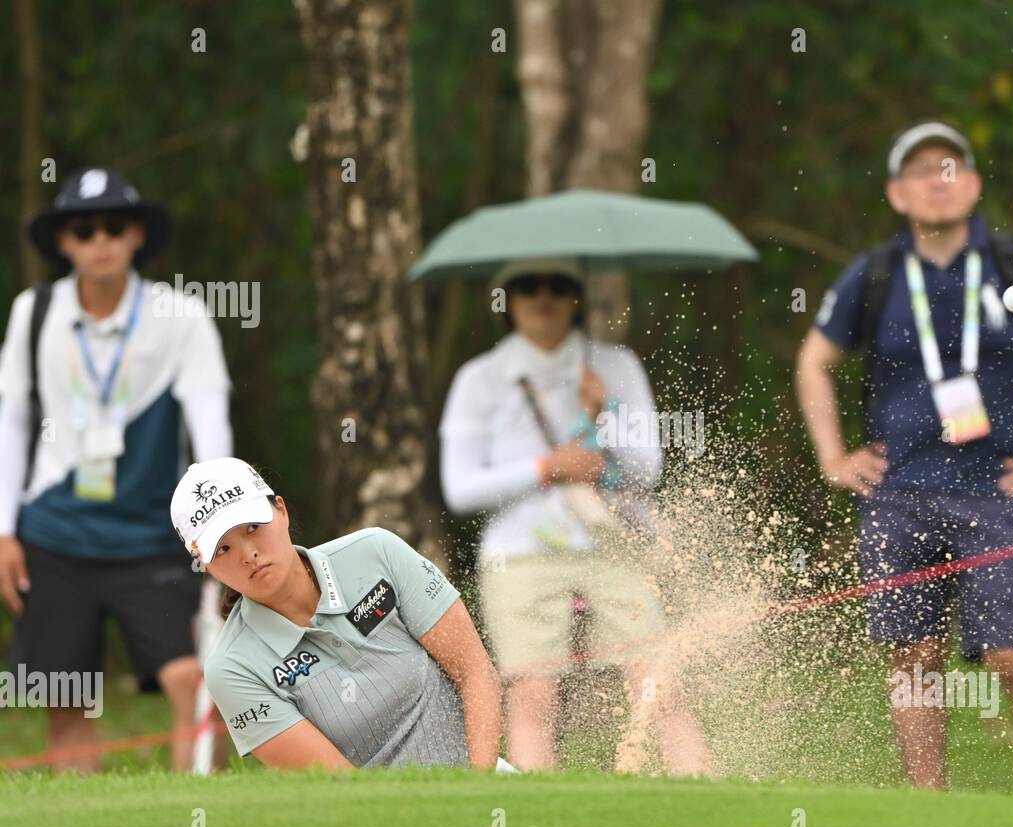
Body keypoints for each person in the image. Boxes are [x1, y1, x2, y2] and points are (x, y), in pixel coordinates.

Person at [795, 122, 1013, 795]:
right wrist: (832, 457)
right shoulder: (874, 275)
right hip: (898, 494)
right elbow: (814, 362)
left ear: (973, 184)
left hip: (994, 495)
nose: (937, 184)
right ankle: (928, 808)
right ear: (896, 194)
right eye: (920, 173)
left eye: (950, 169)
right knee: (914, 657)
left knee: (1012, 657)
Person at [439, 258, 711, 774]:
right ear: (507, 301)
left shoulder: (617, 366)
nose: (544, 296)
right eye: (527, 286)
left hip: (613, 543)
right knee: (532, 693)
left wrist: (602, 417)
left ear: (576, 298)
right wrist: (544, 467)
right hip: (519, 555)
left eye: (558, 286)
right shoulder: (479, 379)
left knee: (658, 682)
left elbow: (647, 470)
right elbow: (460, 488)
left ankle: (705, 796)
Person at [0, 168, 232, 772]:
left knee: (196, 680)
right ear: (63, 242)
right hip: (54, 534)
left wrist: (222, 527)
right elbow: (13, 424)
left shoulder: (180, 316)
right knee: (66, 698)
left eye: (114, 225)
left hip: (155, 537)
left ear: (136, 235)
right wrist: (4, 530)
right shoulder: (34, 311)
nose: (99, 239)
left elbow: (211, 429)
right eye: (83, 228)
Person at [171, 456, 501, 770]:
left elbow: (475, 673)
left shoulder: (376, 552)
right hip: (385, 824)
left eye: (253, 527)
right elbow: (344, 788)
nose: (248, 554)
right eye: (223, 548)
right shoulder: (231, 668)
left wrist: (477, 792)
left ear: (281, 511)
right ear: (205, 565)